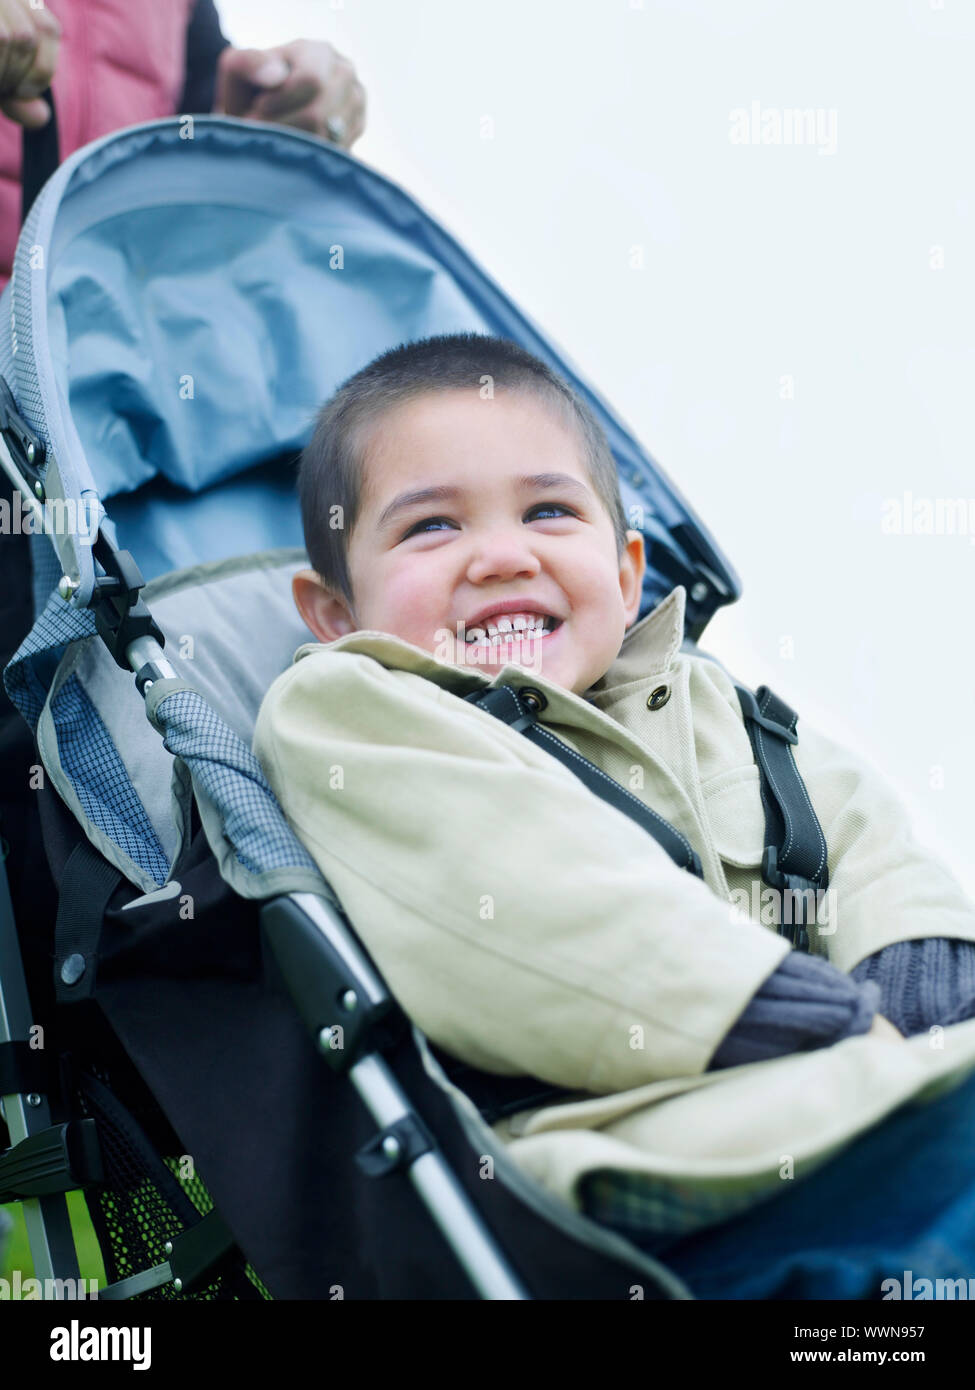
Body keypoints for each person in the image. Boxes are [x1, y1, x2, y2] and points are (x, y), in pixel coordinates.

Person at [251, 331, 975, 1298]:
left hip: (872, 1099)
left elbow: (860, 838)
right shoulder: (355, 714)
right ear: (335, 613)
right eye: (430, 528)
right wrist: (811, 1023)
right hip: (652, 1170)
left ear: (626, 573)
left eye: (549, 510)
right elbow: (530, 902)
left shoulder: (712, 704)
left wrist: (924, 988)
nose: (502, 556)